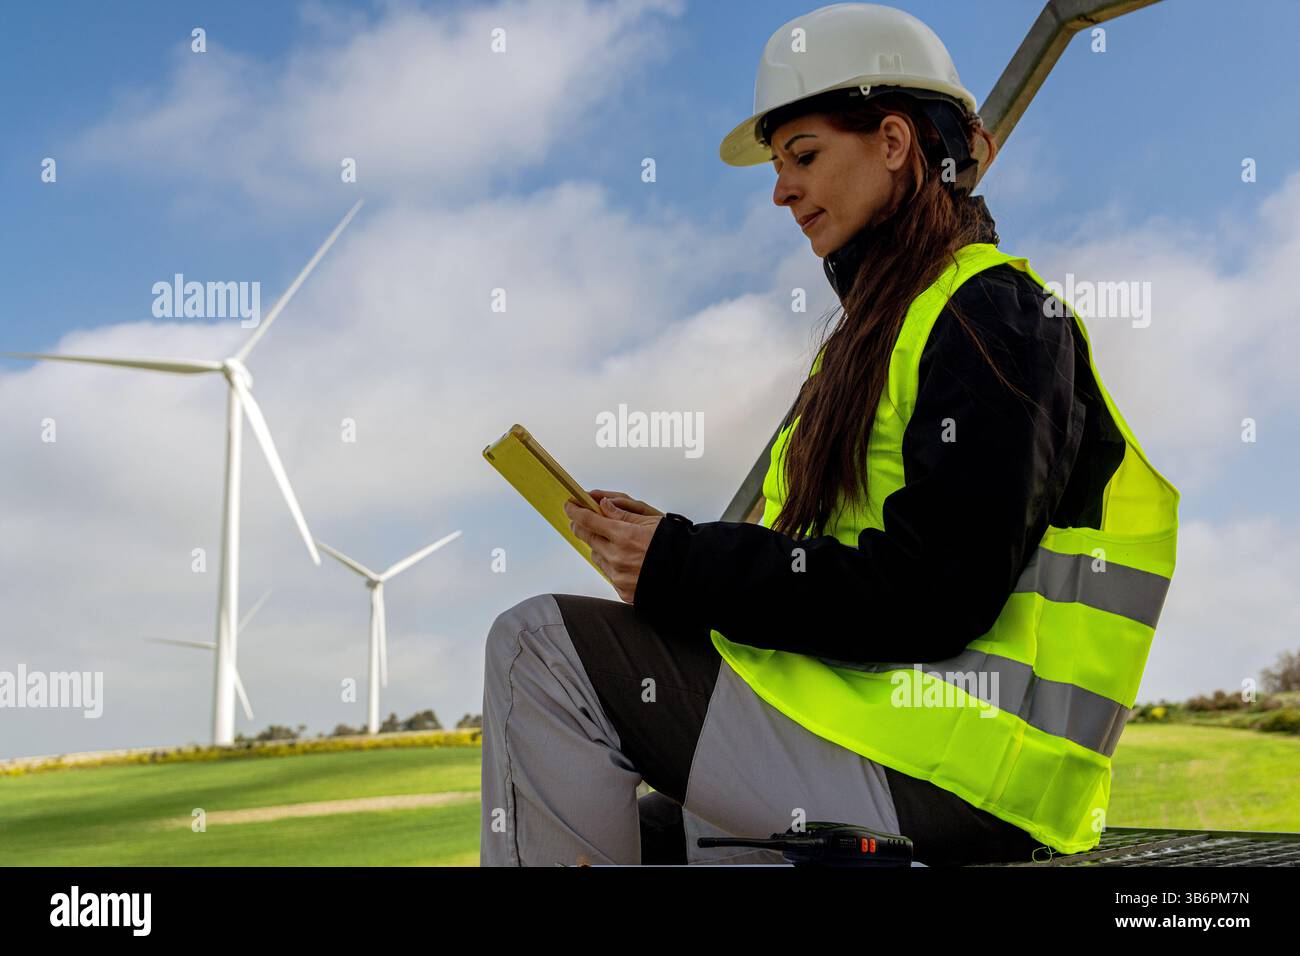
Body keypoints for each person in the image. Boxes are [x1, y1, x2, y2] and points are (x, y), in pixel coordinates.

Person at [479, 2, 1180, 867]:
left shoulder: (991, 315)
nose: (781, 190)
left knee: (539, 646)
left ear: (893, 143)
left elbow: (936, 592)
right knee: (668, 837)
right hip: (890, 747)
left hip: (955, 775)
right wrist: (665, 552)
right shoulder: (885, 337)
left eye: (803, 157)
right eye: (777, 167)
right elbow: (831, 570)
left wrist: (682, 563)